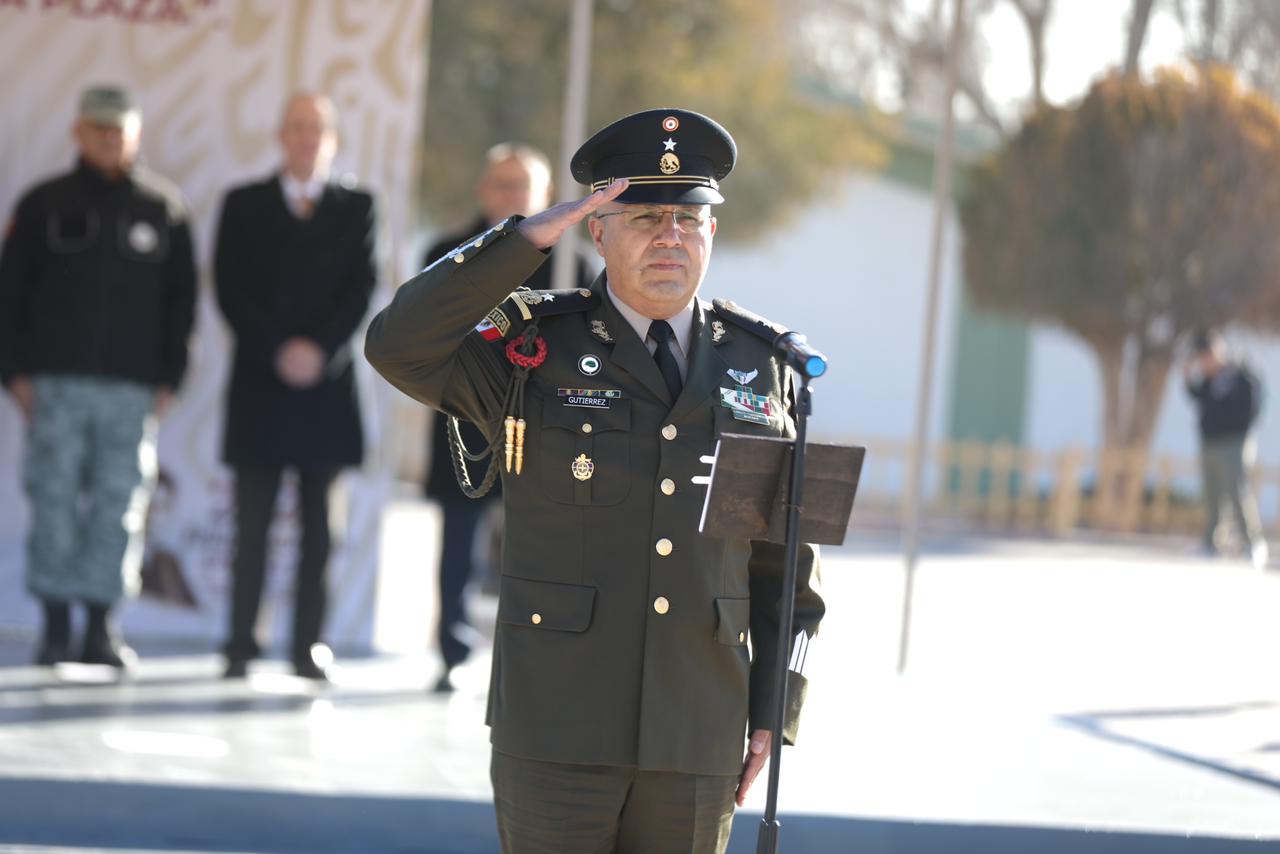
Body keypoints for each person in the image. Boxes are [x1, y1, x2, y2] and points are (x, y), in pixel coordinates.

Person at [366, 109, 824, 853]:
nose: (670, 237)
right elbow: (398, 345)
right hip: (557, 726)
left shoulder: (761, 365)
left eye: (689, 219)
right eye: (644, 218)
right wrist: (521, 241)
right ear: (598, 233)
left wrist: (775, 707)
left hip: (697, 729)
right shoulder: (532, 347)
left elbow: (787, 568)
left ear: (712, 231)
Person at [0, 85, 197, 668]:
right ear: (78, 133)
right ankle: (55, 626)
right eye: (100, 129)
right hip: (55, 385)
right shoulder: (43, 204)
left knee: (120, 505)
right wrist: (14, 373)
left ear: (135, 135)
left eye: (120, 130)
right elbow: (9, 294)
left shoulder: (163, 208)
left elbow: (182, 303)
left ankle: (101, 626)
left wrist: (170, 376)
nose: (110, 139)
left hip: (131, 388)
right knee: (54, 500)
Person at [214, 92, 377, 681]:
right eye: (297, 126)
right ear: (281, 136)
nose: (307, 137)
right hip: (261, 382)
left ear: (332, 139)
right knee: (251, 525)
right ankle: (240, 643)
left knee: (319, 531)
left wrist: (319, 350)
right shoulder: (243, 203)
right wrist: (279, 349)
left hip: (327, 388)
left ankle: (308, 645)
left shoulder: (359, 206)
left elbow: (362, 288)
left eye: (317, 128)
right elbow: (229, 286)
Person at [421, 142, 594, 694]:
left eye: (524, 185)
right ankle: (452, 650)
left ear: (545, 194)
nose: (512, 195)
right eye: (502, 184)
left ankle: (528, 656)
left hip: (543, 426)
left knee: (538, 549)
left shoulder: (572, 263)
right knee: (458, 545)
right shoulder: (447, 253)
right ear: (482, 190)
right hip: (466, 418)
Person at [1184, 329, 1268, 569]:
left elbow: (1254, 401)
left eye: (1207, 356)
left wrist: (1242, 429)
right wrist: (1188, 377)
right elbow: (1197, 397)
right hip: (1211, 440)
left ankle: (1253, 542)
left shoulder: (1238, 373)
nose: (1204, 362)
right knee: (1212, 492)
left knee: (1236, 489)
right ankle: (1212, 543)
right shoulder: (1209, 380)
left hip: (1235, 440)